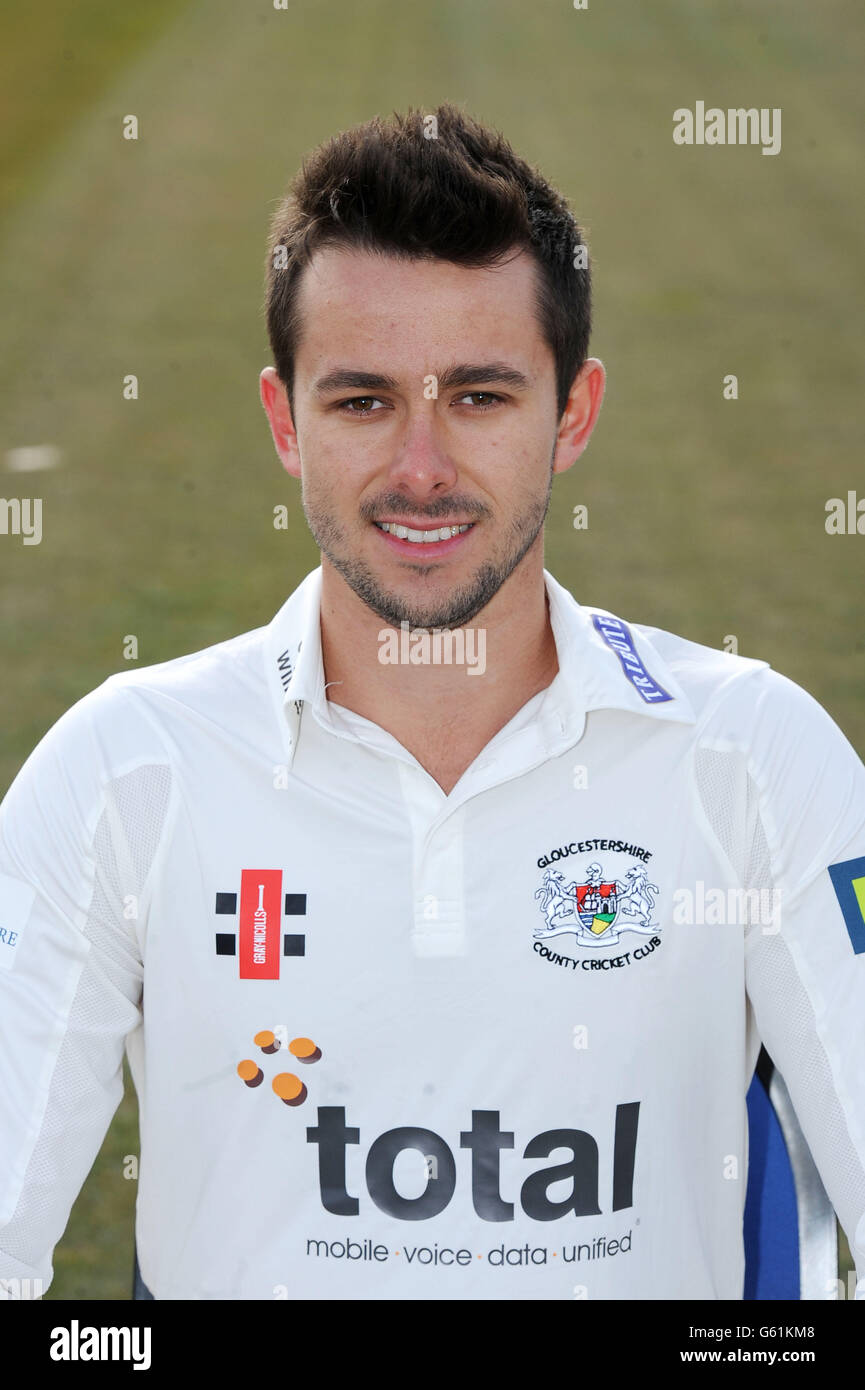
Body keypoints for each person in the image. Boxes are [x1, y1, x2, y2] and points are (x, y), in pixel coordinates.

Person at [1, 104, 863, 1302]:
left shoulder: (755, 756)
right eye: (361, 401)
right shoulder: (120, 774)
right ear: (282, 422)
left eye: (478, 397)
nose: (420, 470)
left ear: (573, 413)